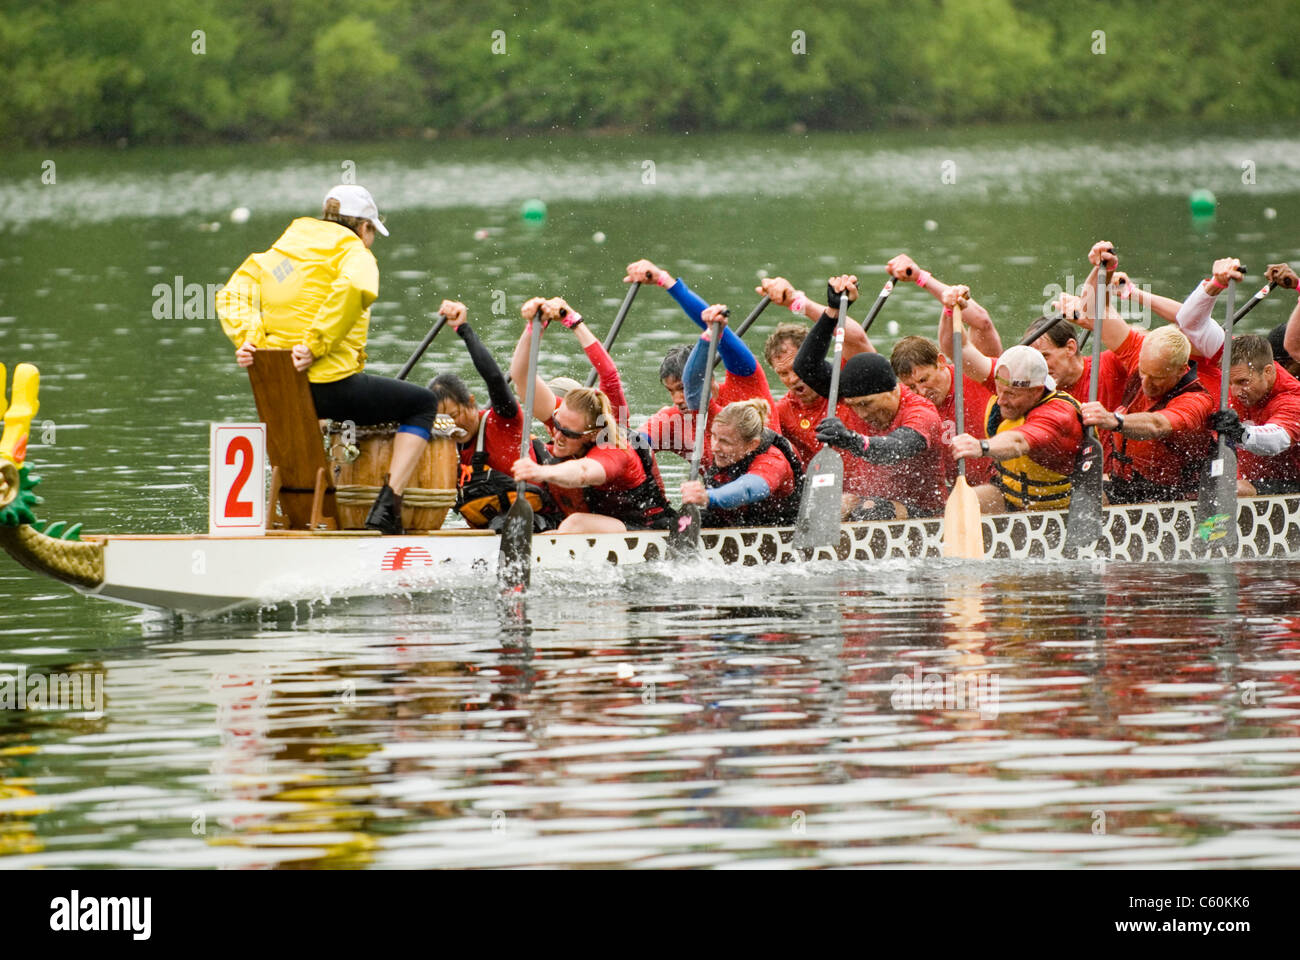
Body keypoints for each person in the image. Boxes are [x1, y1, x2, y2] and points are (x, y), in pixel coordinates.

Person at [216, 184, 437, 534]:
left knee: (316, 421)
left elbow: (232, 294)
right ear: (364, 227)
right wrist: (316, 345)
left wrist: (251, 341)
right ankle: (388, 505)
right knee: (423, 403)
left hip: (278, 387)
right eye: (372, 233)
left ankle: (294, 516)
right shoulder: (355, 254)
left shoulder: (280, 253)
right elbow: (354, 288)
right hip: (327, 386)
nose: (370, 241)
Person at [792, 277, 949, 518]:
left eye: (867, 404)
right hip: (864, 502)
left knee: (871, 510)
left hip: (926, 514)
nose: (862, 413)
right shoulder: (852, 398)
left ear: (894, 390)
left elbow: (896, 448)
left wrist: (850, 439)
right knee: (834, 504)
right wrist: (831, 313)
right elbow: (806, 366)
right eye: (855, 406)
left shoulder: (920, 412)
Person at [626, 259, 776, 460]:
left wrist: (665, 280)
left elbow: (721, 333)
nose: (678, 400)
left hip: (774, 481)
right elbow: (634, 444)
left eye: (683, 388)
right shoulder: (674, 420)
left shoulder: (746, 385)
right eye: (671, 391)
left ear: (704, 378)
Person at [1173, 259, 1300, 496]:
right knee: (1194, 485)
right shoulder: (1235, 354)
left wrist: (1239, 432)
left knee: (1231, 488)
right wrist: (1215, 285)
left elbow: (1277, 439)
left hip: (1291, 490)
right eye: (1230, 382)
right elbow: (1189, 323)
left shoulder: (1292, 398)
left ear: (1269, 372)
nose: (1236, 391)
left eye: (1244, 382)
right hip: (1248, 477)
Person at [428, 299, 557, 531]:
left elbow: (495, 380)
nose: (451, 424)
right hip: (490, 527)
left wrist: (463, 329)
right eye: (442, 420)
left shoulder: (503, 420)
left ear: (471, 403)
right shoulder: (444, 442)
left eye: (455, 414)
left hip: (539, 521)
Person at [510, 386, 675, 534]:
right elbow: (525, 385)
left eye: (567, 432)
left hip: (645, 527)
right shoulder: (571, 419)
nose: (557, 434)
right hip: (602, 520)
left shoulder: (614, 449)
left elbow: (584, 472)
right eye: (555, 424)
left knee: (575, 523)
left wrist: (540, 471)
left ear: (592, 435)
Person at [950, 346, 1085, 513]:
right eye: (999, 390)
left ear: (1036, 391)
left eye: (1011, 395)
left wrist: (982, 446)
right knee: (961, 504)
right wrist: (949, 320)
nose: (1001, 401)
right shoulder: (1009, 380)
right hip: (1011, 496)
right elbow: (959, 348)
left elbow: (1018, 442)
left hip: (1062, 506)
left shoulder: (1058, 414)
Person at [680, 398, 803, 527]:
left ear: (752, 445)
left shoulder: (773, 461)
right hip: (733, 521)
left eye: (725, 441)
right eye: (713, 436)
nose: (715, 447)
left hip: (775, 526)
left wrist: (708, 497)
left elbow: (748, 489)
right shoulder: (725, 451)